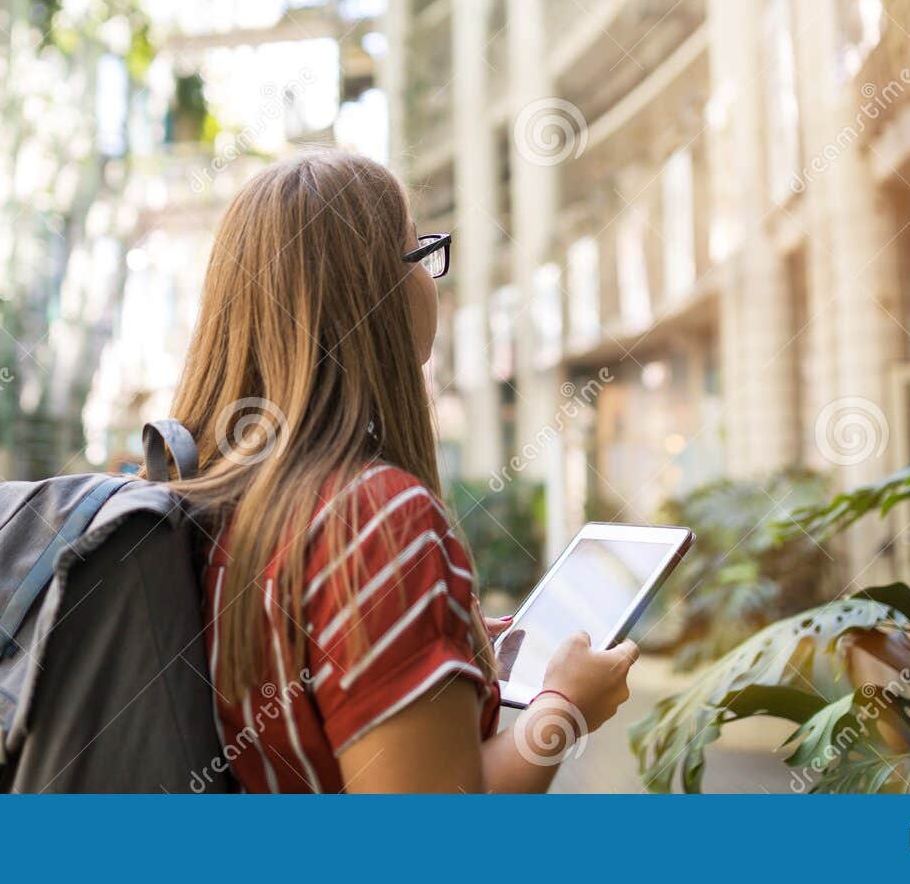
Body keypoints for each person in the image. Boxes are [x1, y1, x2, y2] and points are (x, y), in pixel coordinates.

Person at [166, 149, 638, 793]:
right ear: (377, 292)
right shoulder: (375, 519)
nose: (432, 280)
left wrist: (426, 645)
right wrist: (562, 706)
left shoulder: (195, 498)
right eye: (422, 252)